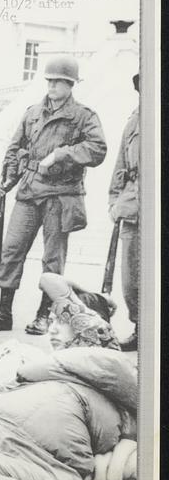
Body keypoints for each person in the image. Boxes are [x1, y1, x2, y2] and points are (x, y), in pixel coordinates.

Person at [0, 55, 107, 334]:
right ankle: (3, 313)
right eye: (49, 80)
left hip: (60, 196)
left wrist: (62, 154)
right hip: (28, 191)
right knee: (11, 251)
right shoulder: (33, 112)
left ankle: (44, 315)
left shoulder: (84, 116)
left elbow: (97, 149)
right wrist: (8, 179)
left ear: (71, 84)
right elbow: (14, 148)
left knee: (52, 259)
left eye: (59, 81)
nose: (52, 85)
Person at [108, 73, 140, 351]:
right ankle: (140, 327)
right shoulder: (135, 120)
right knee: (131, 277)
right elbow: (121, 164)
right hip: (133, 206)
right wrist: (114, 200)